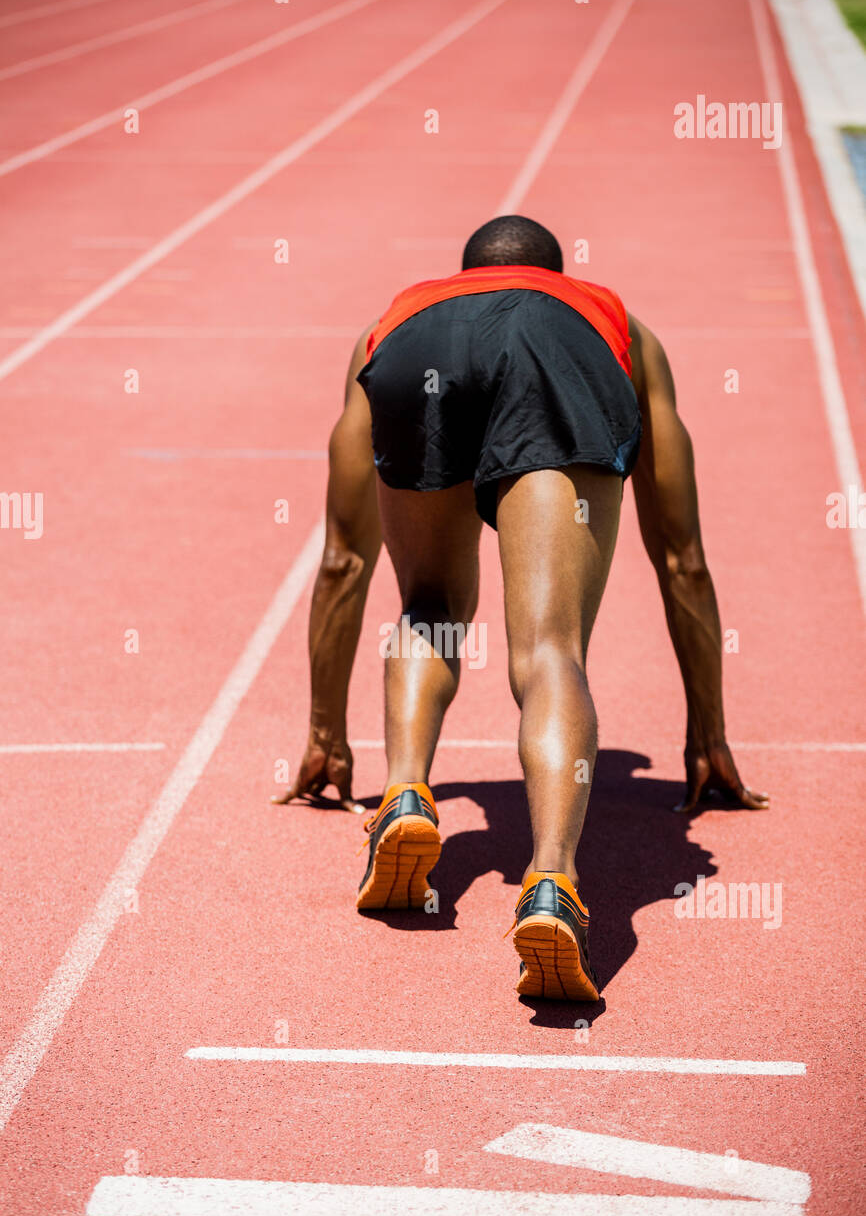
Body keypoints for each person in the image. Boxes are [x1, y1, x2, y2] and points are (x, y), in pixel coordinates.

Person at [273, 215, 768, 1002]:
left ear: (464, 272)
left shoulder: (389, 319)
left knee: (429, 606)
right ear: (557, 272)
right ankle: (551, 884)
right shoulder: (615, 322)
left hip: (416, 358)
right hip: (558, 357)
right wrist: (706, 734)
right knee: (548, 651)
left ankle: (404, 791)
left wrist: (326, 736)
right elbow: (683, 555)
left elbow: (340, 560)